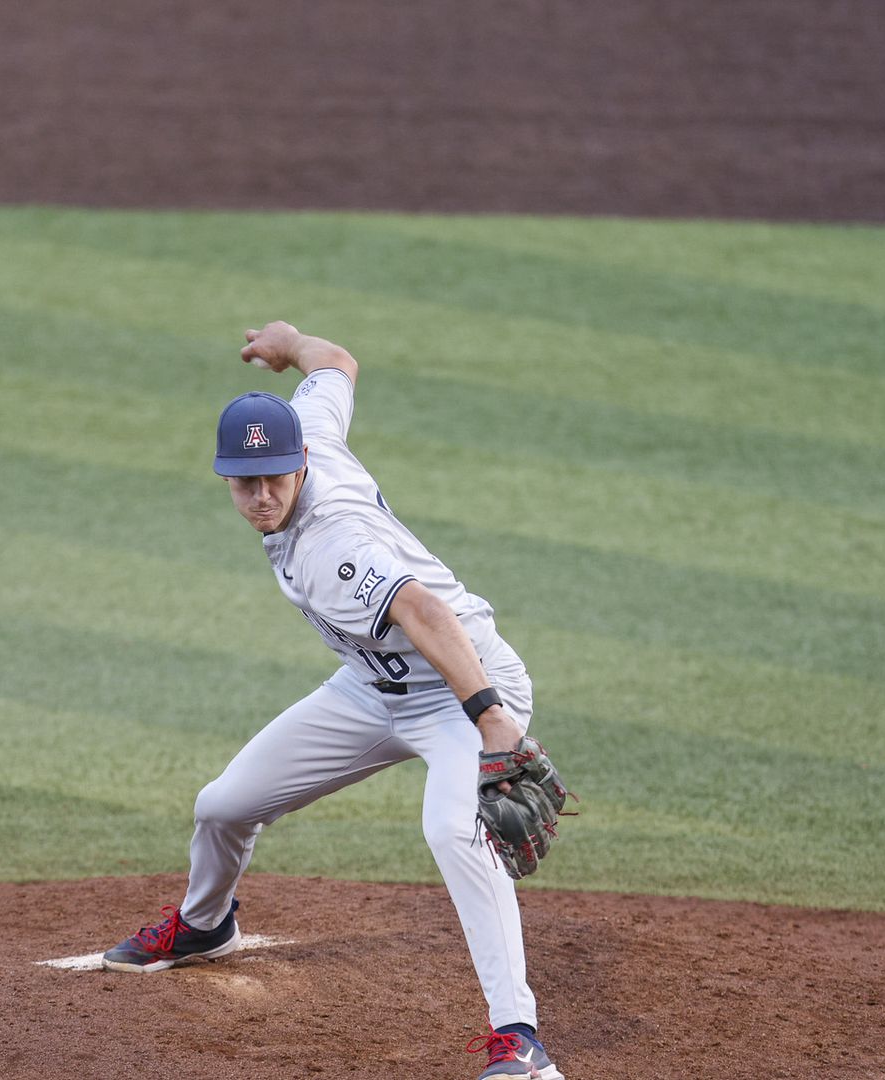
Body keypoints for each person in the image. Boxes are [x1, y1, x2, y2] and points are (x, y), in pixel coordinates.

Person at [99, 321, 563, 1080]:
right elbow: (337, 362)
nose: (261, 496)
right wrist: (291, 343)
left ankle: (520, 1041)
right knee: (223, 806)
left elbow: (425, 612)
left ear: (302, 463)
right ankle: (205, 925)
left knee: (454, 830)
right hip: (374, 687)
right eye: (245, 482)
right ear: (225, 476)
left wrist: (491, 719)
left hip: (463, 687)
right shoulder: (307, 425)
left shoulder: (329, 545)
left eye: (275, 480)